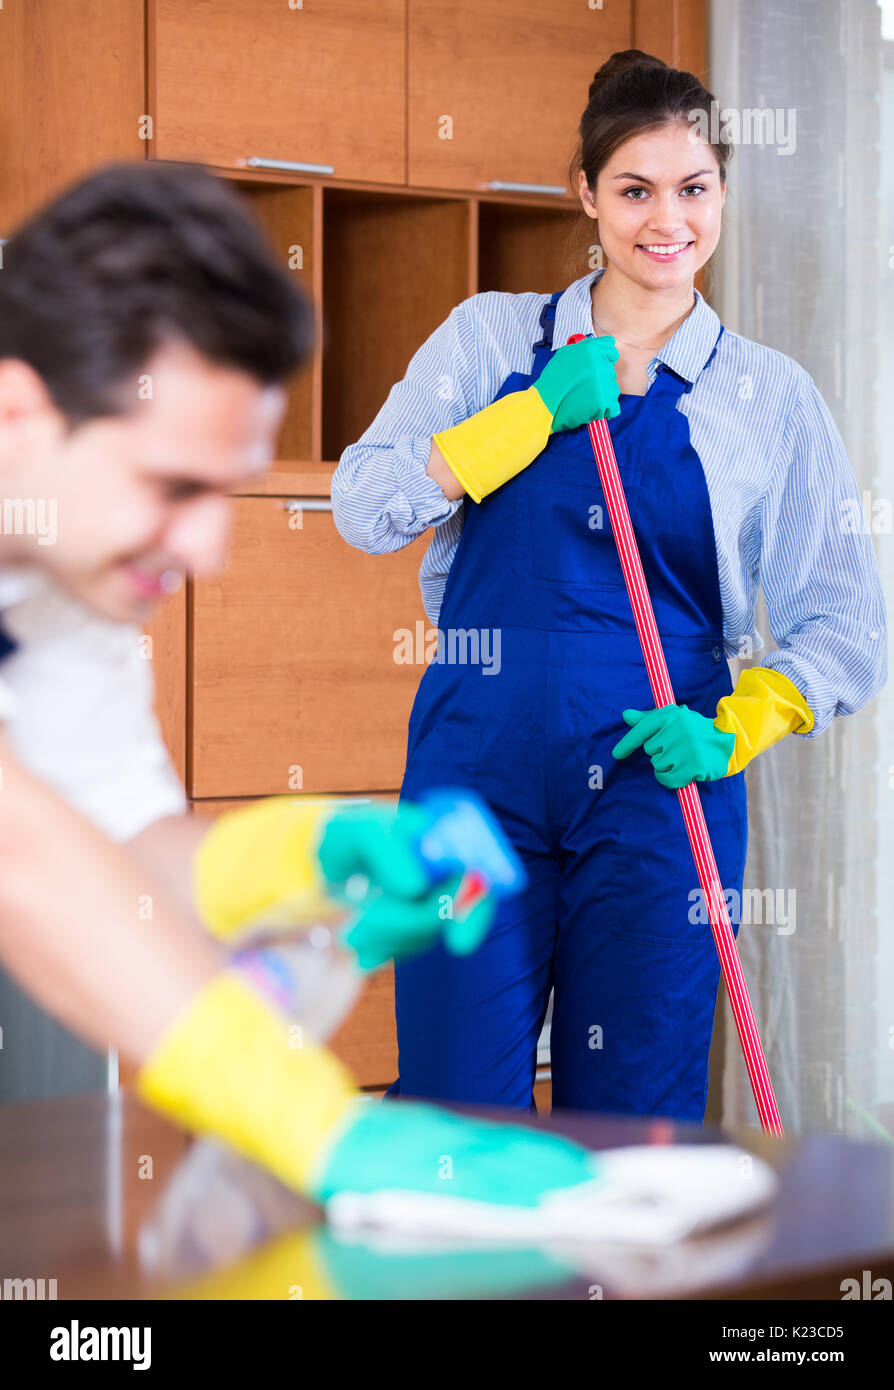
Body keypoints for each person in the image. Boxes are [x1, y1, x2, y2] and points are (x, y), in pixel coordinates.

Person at [0, 161, 606, 1214]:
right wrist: (319, 1128)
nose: (208, 548)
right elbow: (31, 866)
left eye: (225, 488)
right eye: (171, 485)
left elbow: (126, 852)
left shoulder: (55, 589)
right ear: (19, 415)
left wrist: (315, 851)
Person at [331, 50, 887, 1121]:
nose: (664, 221)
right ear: (587, 193)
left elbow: (846, 619)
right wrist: (525, 414)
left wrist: (742, 722)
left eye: (694, 188)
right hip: (473, 780)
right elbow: (365, 504)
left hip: (657, 793)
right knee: (455, 1113)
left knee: (634, 1119)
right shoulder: (490, 337)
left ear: (723, 190)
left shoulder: (768, 397)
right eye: (634, 189)